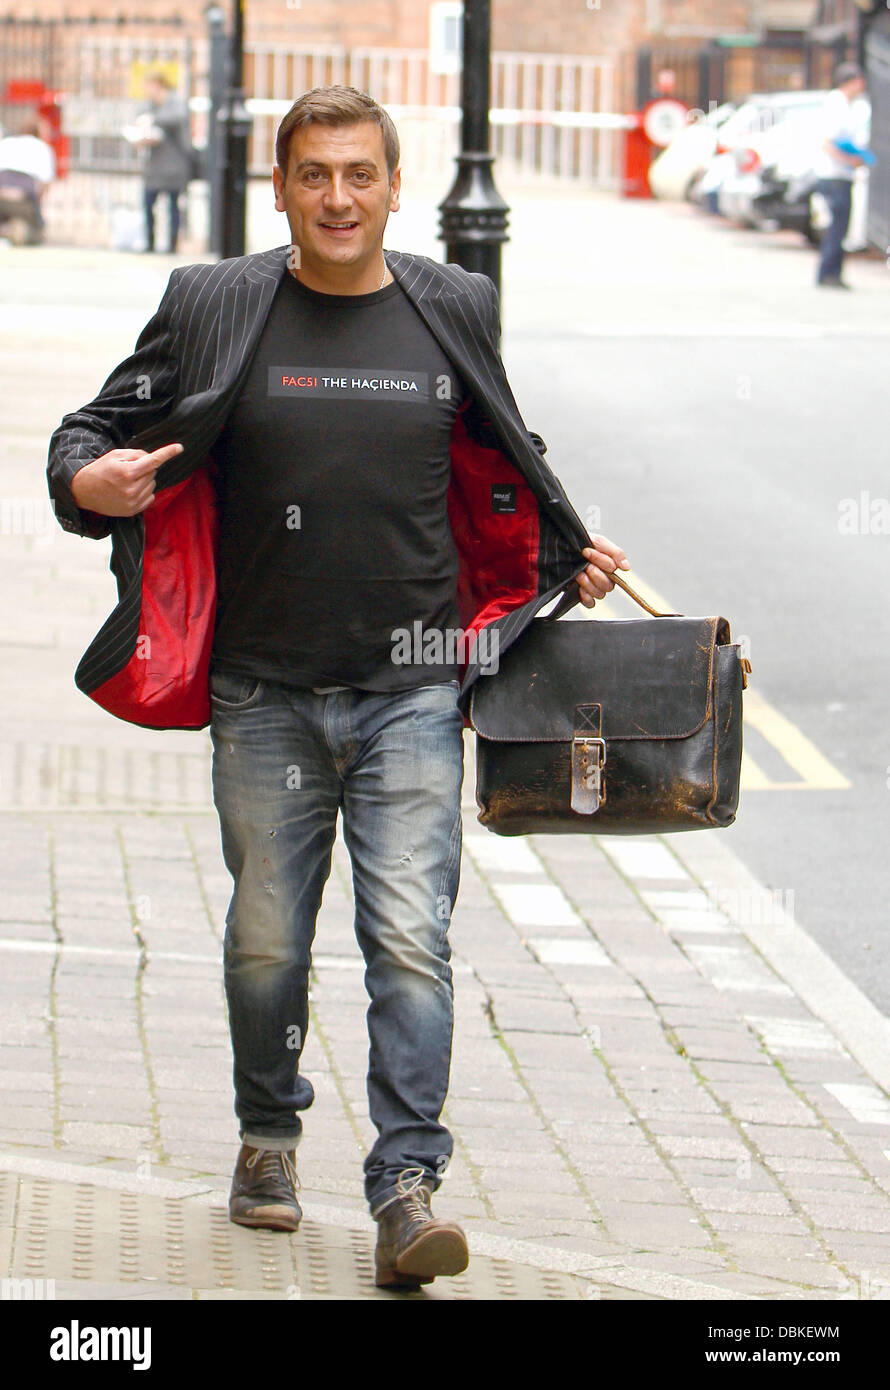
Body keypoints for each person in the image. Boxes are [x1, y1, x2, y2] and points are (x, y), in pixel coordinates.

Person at [46, 85, 629, 1290]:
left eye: (358, 174)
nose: (337, 198)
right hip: (262, 689)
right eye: (314, 175)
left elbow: (504, 455)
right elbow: (92, 426)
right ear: (282, 188)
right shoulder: (217, 306)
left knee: (409, 939)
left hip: (413, 685)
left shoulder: (452, 303)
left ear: (393, 183)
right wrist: (90, 482)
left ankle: (404, 1188)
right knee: (267, 941)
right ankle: (268, 1133)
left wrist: (564, 549)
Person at [813, 61, 869, 289]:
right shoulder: (836, 104)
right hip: (834, 174)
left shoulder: (847, 105)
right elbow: (828, 142)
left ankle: (831, 271)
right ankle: (829, 272)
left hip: (840, 174)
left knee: (838, 226)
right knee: (838, 226)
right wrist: (851, 159)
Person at [132, 71, 192, 254]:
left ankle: (172, 244)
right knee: (148, 203)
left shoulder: (175, 103)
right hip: (154, 165)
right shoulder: (149, 106)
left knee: (173, 205)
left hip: (174, 165)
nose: (147, 91)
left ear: (159, 85)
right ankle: (150, 242)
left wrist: (152, 120)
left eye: (149, 86)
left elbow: (177, 119)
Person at [0, 119, 56, 245]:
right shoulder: (42, 147)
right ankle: (18, 231)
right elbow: (46, 182)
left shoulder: (6, 142)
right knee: (37, 231)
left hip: (1, 189)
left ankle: (5, 229)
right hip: (23, 195)